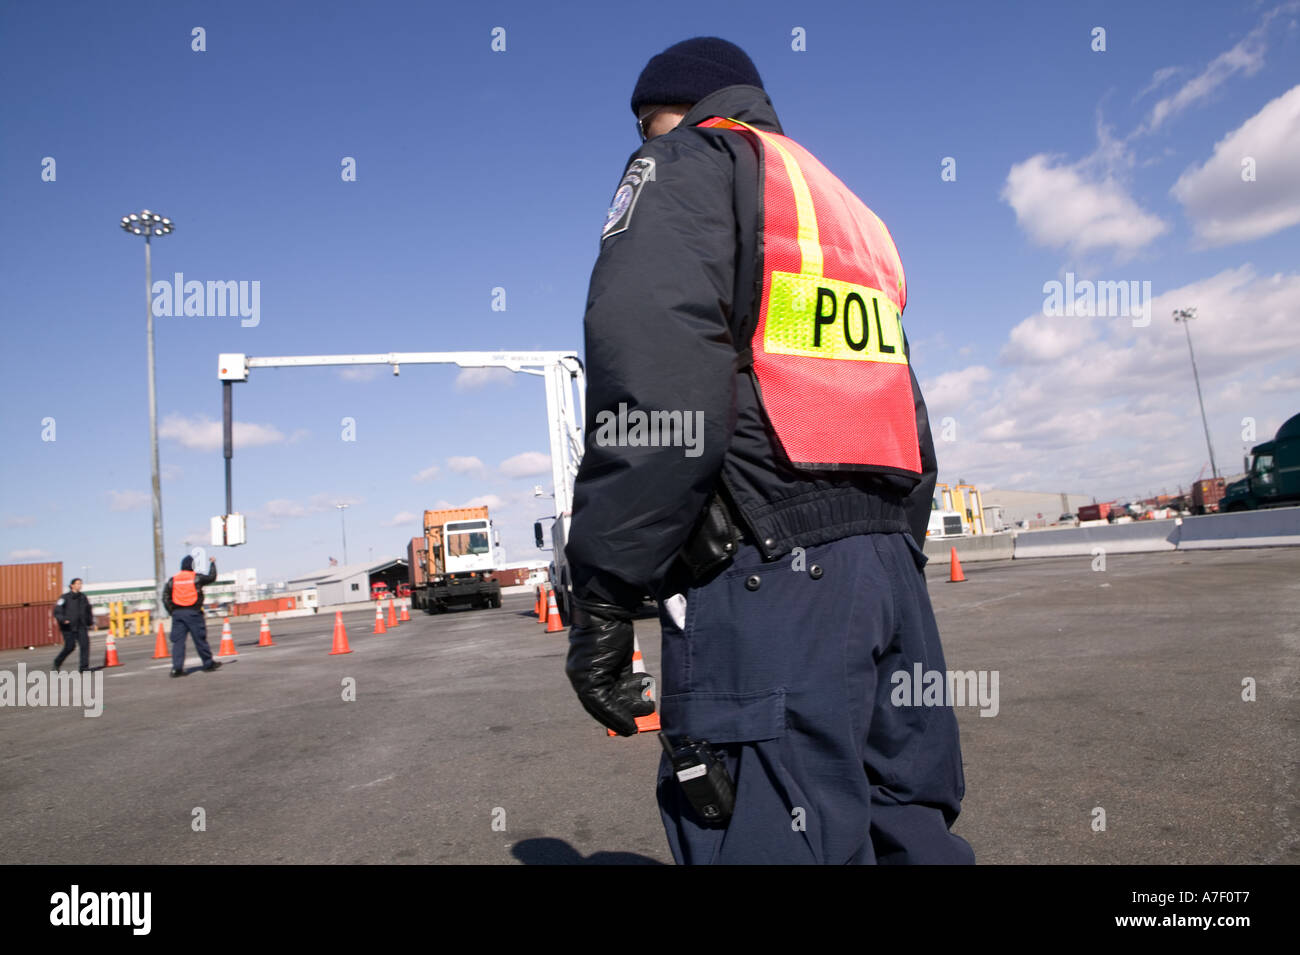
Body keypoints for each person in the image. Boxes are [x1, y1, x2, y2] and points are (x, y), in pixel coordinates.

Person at [563, 37, 974, 864]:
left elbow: (655, 381)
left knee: (769, 829)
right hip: (886, 563)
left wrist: (603, 593)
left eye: (649, 123)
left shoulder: (690, 163)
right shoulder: (843, 206)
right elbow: (902, 393)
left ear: (680, 110)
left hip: (767, 572)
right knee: (908, 822)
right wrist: (900, 544)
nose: (645, 142)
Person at [162, 555, 222, 677]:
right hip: (193, 612)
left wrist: (172, 612)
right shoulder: (196, 578)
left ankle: (177, 669)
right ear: (192, 566)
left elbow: (165, 597)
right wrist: (212, 564)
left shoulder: (173, 580)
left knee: (178, 642)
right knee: (200, 639)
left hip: (178, 614)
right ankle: (208, 663)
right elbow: (211, 577)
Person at [52, 577, 94, 672]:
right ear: (72, 585)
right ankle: (57, 662)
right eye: (78, 583)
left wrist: (90, 622)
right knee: (70, 647)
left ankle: (84, 667)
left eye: (80, 583)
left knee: (85, 645)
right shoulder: (64, 597)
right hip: (68, 627)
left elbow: (88, 611)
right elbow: (57, 610)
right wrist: (63, 619)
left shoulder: (83, 597)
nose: (80, 585)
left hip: (81, 626)